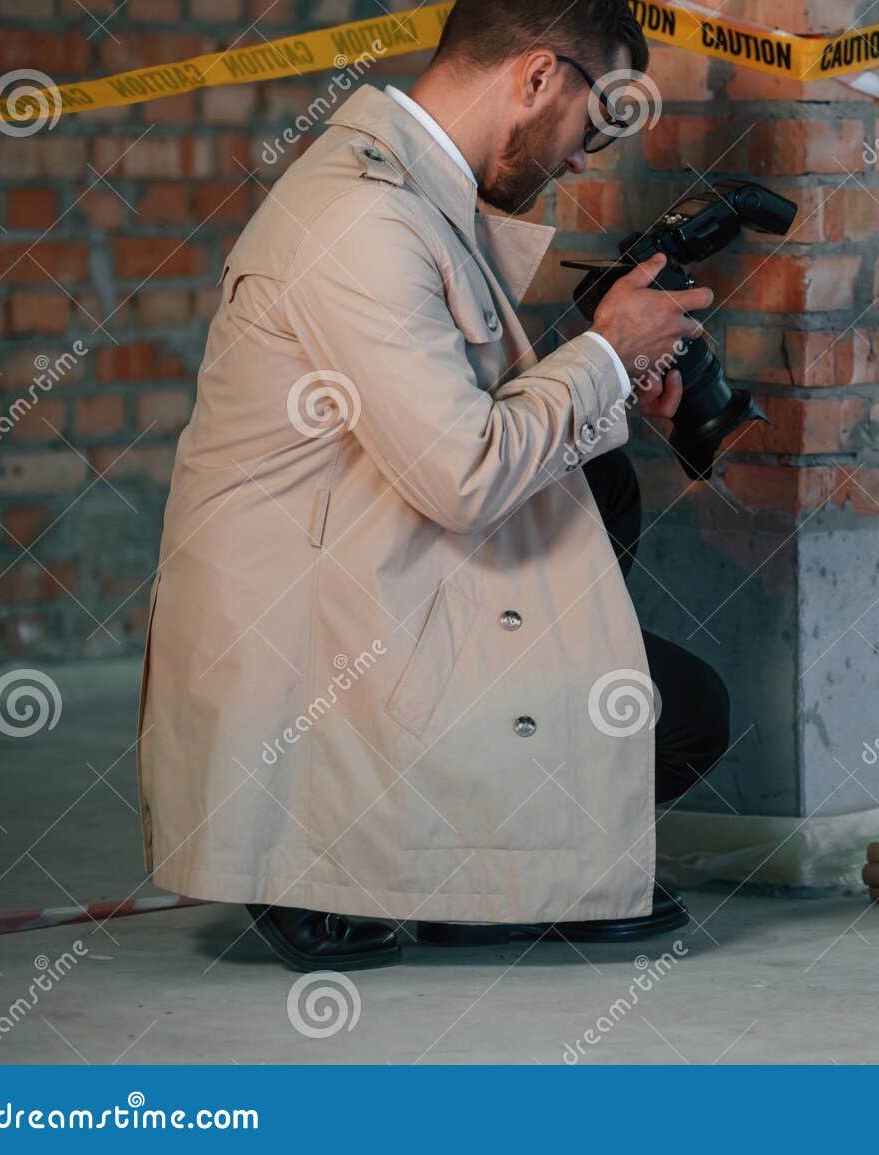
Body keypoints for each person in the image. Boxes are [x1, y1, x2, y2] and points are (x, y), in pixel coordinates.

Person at [136, 0, 729, 972]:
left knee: (603, 486)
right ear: (539, 78)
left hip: (359, 569)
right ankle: (325, 859)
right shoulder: (362, 217)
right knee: (682, 714)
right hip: (307, 652)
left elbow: (455, 413)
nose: (586, 158)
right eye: (596, 120)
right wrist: (607, 354)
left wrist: (614, 382)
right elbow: (460, 472)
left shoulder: (401, 192)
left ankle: (471, 867)